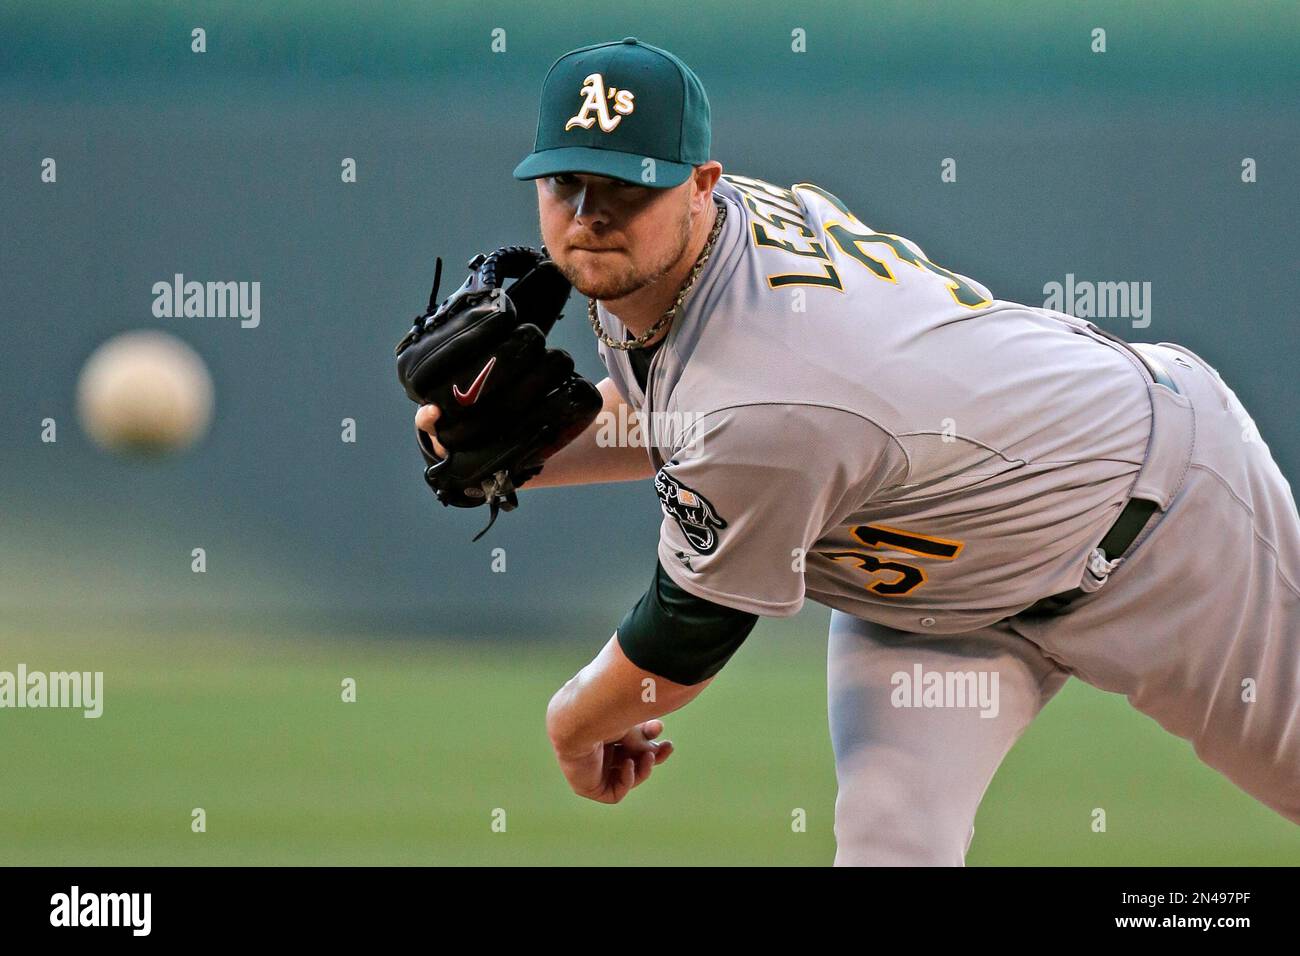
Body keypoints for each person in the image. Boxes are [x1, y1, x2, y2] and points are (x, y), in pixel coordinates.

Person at [416, 37, 1300, 864]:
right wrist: (525, 454)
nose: (589, 216)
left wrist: (572, 726)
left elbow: (676, 645)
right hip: (933, 593)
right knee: (888, 841)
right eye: (566, 181)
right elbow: (688, 412)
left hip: (1159, 522)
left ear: (701, 185)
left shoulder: (768, 390)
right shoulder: (678, 266)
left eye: (627, 186)